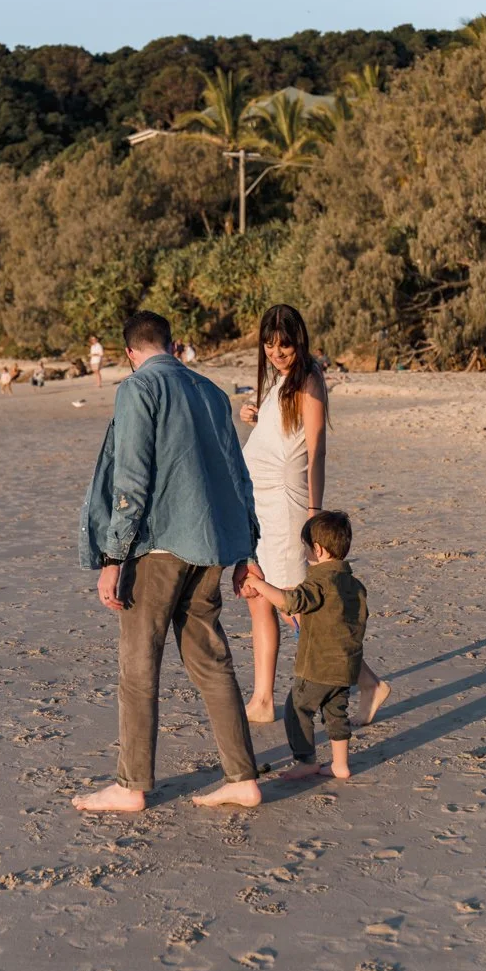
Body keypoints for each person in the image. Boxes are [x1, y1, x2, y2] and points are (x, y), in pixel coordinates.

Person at [74, 310, 262, 815]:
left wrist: (113, 557)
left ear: (130, 352)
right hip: (212, 547)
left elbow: (131, 483)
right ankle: (242, 777)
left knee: (138, 666)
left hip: (157, 549)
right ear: (174, 344)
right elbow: (238, 475)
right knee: (211, 659)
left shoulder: (138, 389)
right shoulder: (211, 393)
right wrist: (248, 550)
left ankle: (131, 785)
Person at [237, 304, 390, 727]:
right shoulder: (279, 381)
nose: (276, 352)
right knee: (258, 596)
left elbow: (316, 449)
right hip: (261, 503)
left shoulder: (309, 381)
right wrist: (254, 416)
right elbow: (278, 435)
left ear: (297, 341)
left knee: (299, 608)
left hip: (289, 505)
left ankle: (369, 682)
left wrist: (313, 513)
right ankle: (263, 698)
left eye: (283, 344)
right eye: (269, 345)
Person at [242, 511, 365, 780]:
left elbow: (291, 602)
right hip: (346, 665)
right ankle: (340, 764)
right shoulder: (355, 584)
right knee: (336, 713)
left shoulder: (319, 581)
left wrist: (260, 585)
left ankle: (306, 760)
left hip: (317, 665)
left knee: (297, 709)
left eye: (308, 548)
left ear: (318, 549)